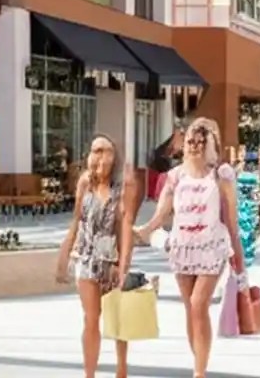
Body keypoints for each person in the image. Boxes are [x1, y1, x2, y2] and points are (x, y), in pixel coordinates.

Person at [136, 118, 244, 378]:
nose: (195, 146)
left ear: (209, 145)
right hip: (182, 247)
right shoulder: (174, 176)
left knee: (198, 304)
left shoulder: (221, 175)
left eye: (200, 142)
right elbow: (162, 212)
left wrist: (238, 259)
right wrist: (145, 229)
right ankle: (199, 361)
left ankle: (199, 372)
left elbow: (231, 219)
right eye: (190, 142)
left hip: (212, 248)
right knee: (190, 308)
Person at [57, 135, 139, 378]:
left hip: (112, 259)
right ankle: (89, 374)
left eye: (105, 150)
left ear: (114, 157)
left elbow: (126, 227)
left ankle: (121, 369)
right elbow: (77, 219)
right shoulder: (85, 183)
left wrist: (122, 266)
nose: (100, 156)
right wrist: (64, 254)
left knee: (117, 319)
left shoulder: (124, 186)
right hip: (86, 258)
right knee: (91, 318)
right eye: (95, 150)